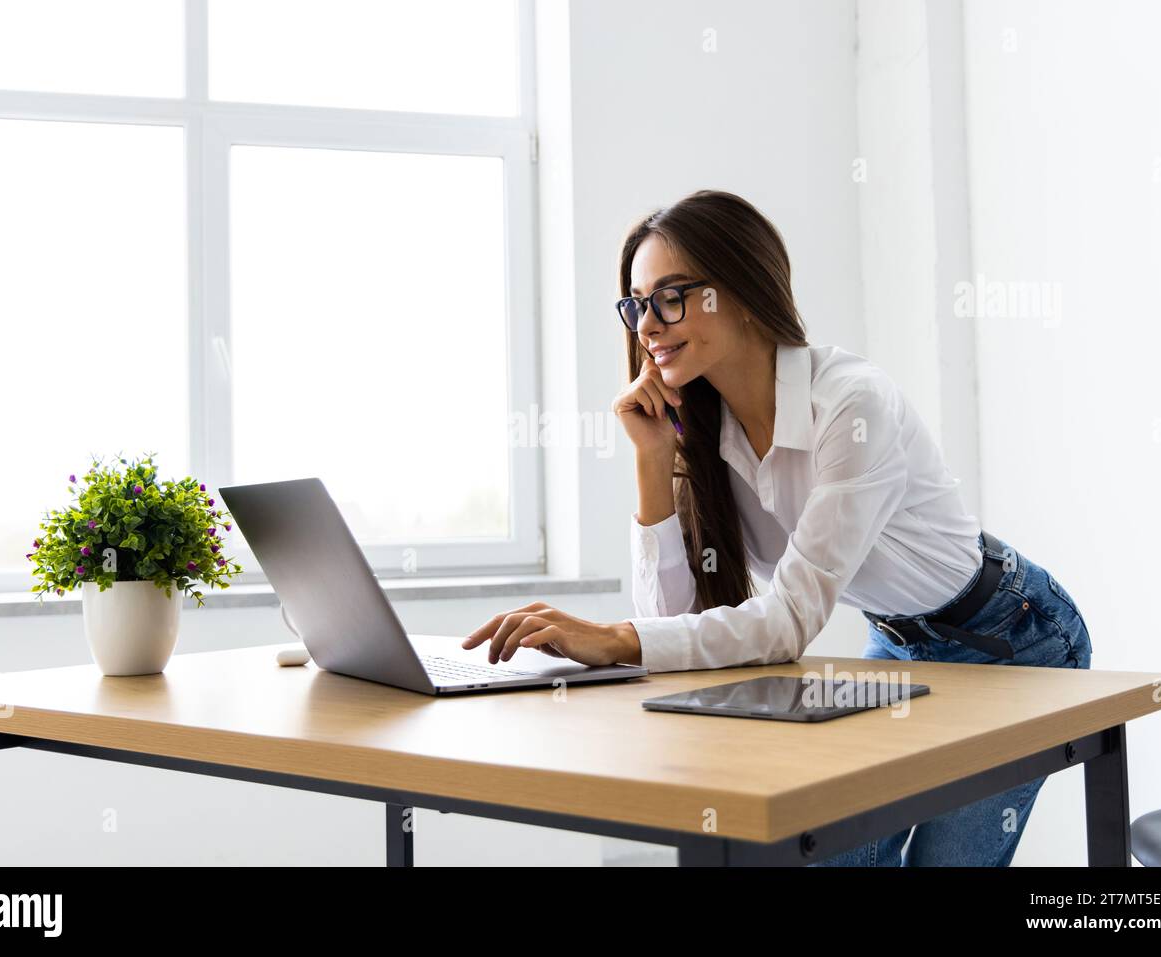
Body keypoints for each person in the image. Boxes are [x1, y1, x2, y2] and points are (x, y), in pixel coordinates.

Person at [462, 189, 1092, 866]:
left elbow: (785, 621)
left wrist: (612, 638)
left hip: (1013, 637)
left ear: (740, 289)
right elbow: (671, 624)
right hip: (898, 637)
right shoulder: (703, 432)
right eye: (637, 302)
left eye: (670, 296)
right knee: (831, 853)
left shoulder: (851, 404)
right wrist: (652, 462)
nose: (647, 323)